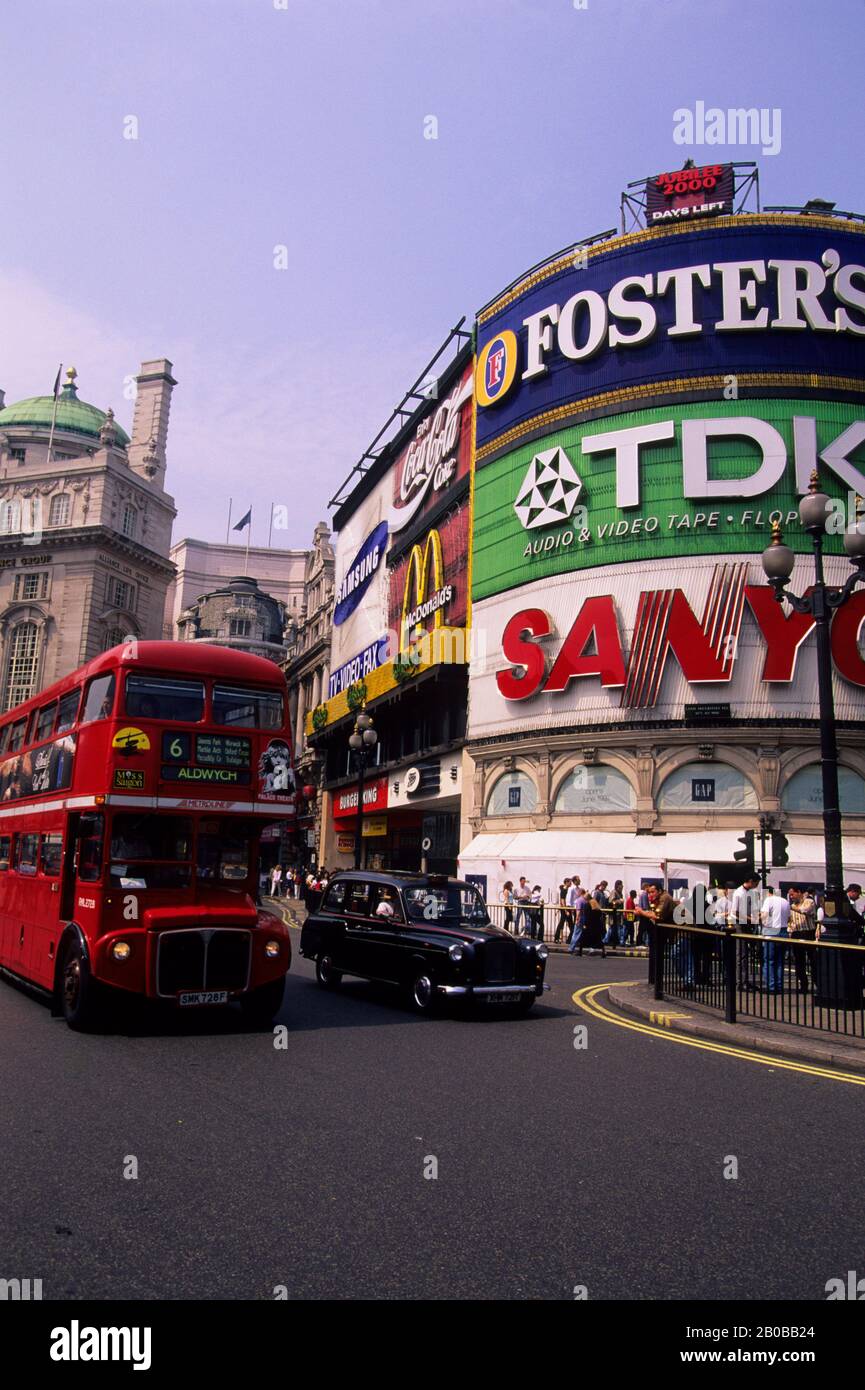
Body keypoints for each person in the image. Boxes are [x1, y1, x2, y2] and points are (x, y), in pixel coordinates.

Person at [760, 884, 790, 994]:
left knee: (769, 960)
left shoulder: (768, 900)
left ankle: (771, 987)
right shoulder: (785, 901)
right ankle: (779, 985)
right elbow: (789, 917)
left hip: (771, 931)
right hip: (783, 931)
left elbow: (764, 916)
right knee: (780, 961)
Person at [787, 887, 816, 993]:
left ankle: (817, 981)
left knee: (813, 959)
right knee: (799, 960)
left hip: (808, 932)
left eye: (792, 894)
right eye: (790, 895)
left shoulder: (809, 901)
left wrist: (791, 908)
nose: (791, 897)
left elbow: (806, 911)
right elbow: (789, 922)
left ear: (799, 892)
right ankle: (803, 984)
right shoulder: (792, 906)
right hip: (797, 933)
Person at [567, 883, 588, 955]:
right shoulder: (585, 901)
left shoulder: (579, 900)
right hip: (584, 918)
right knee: (580, 933)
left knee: (576, 933)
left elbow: (578, 911)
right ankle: (579, 949)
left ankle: (571, 948)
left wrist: (577, 919)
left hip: (580, 918)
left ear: (580, 893)